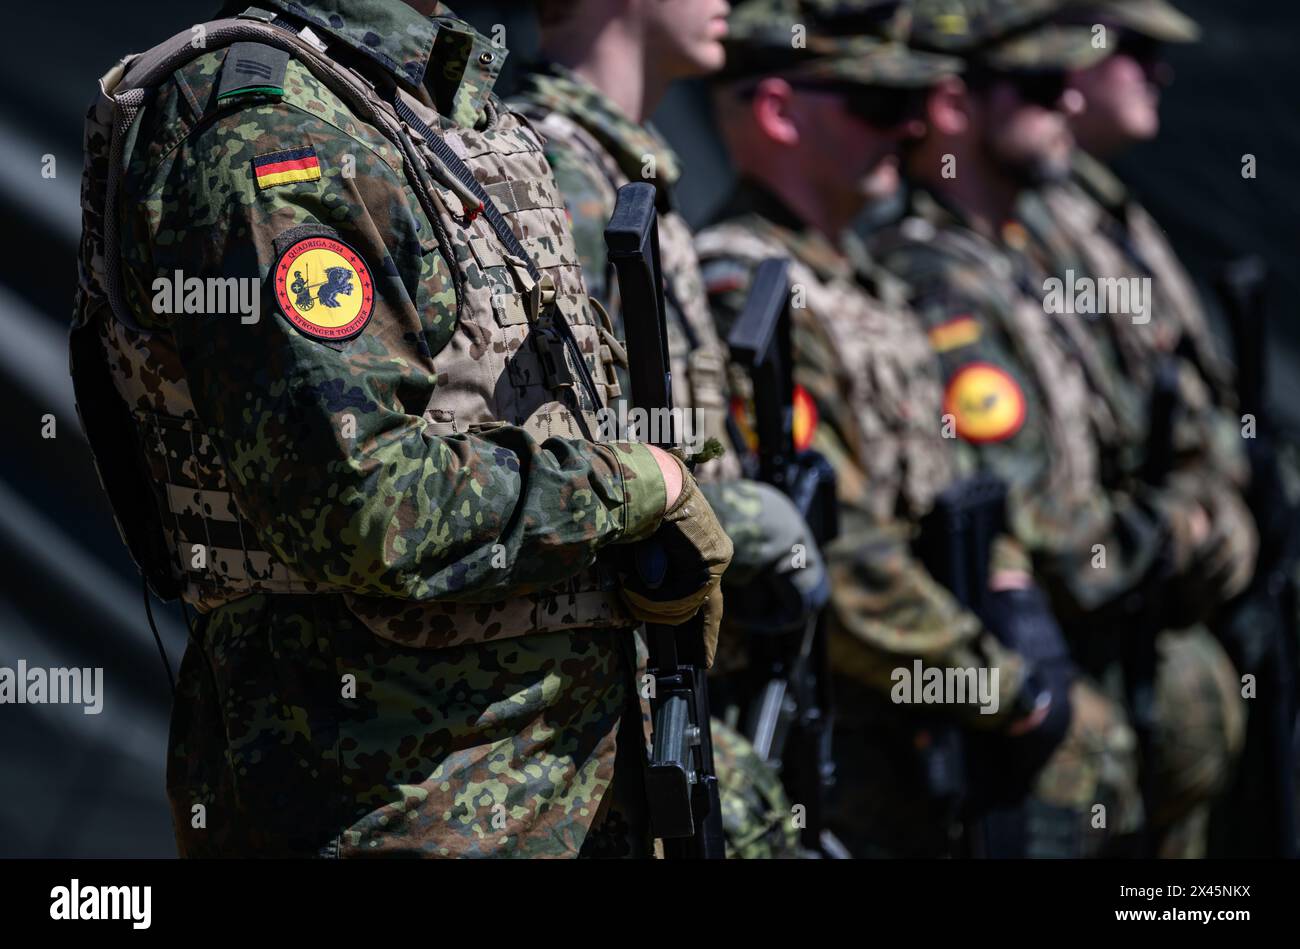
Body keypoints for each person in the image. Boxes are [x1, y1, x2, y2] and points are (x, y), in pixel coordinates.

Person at [70, 0, 732, 858]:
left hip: (562, 790)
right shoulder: (273, 130)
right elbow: (363, 501)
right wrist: (640, 486)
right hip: (402, 805)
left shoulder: (434, 106)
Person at [696, 0, 1141, 857]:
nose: (907, 128)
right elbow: (837, 553)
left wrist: (1006, 599)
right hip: (853, 754)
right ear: (779, 112)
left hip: (927, 732)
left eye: (910, 103)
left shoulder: (861, 276)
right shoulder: (746, 294)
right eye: (874, 105)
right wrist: (1005, 689)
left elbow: (959, 478)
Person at [872, 0, 1248, 857]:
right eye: (1040, 87)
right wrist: (1191, 528)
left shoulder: (1019, 257)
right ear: (956, 107)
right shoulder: (939, 280)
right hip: (1058, 706)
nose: (1069, 104)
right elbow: (1053, 538)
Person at [512, 0, 831, 857]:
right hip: (605, 699)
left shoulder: (628, 172)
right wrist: (744, 515)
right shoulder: (557, 173)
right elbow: (556, 449)